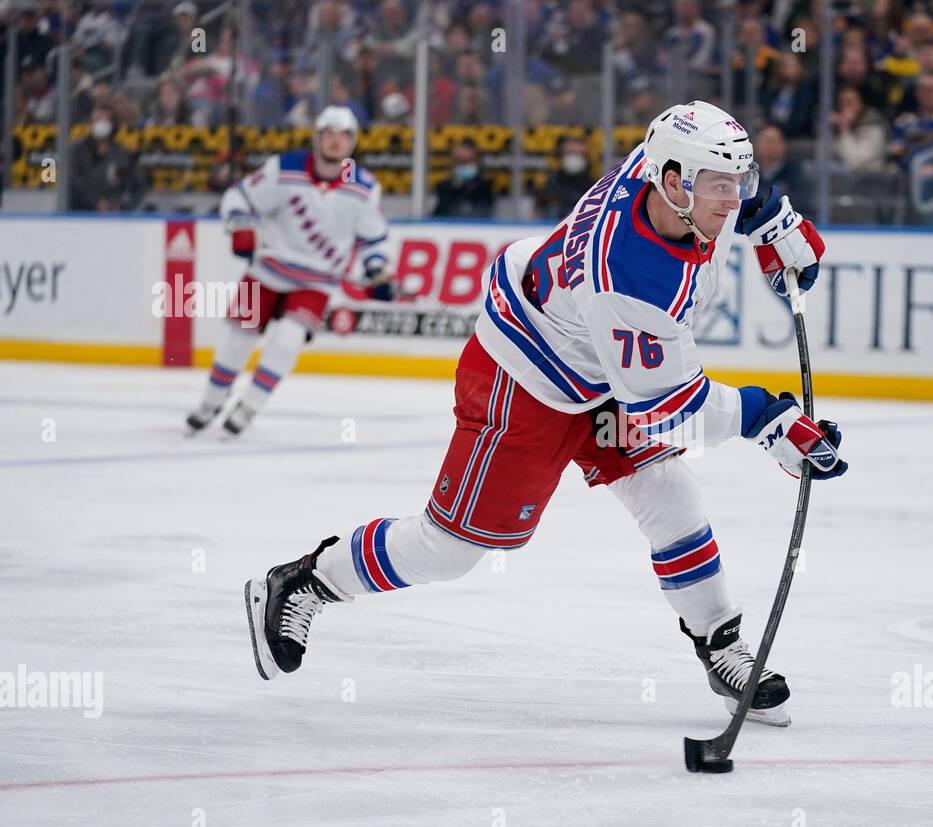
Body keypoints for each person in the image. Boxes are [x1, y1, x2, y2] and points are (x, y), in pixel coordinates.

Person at [241, 101, 844, 730]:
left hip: (603, 368)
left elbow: (716, 200)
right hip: (527, 376)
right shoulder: (630, 277)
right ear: (673, 182)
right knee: (449, 549)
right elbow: (670, 409)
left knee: (669, 494)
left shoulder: (663, 173)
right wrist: (769, 421)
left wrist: (768, 219)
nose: (731, 197)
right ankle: (306, 582)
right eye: (722, 185)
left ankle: (721, 647)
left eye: (738, 181)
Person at [184, 107, 393, 436]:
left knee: (287, 341)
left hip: (316, 281)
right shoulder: (284, 168)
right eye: (330, 133)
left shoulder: (363, 186)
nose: (336, 141)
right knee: (238, 339)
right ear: (318, 136)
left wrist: (377, 269)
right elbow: (238, 197)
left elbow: (374, 239)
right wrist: (240, 225)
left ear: (352, 142)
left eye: (344, 135)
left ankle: (248, 407)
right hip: (266, 269)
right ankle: (210, 402)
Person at [69, 106, 145, 212]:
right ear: (90, 123)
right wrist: (95, 202)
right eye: (97, 120)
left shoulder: (122, 152)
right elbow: (72, 182)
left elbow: (137, 183)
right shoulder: (77, 151)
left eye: (105, 120)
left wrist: (122, 205)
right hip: (81, 213)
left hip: (114, 215)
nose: (101, 124)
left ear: (111, 124)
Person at [432, 139, 494, 218]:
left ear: (476, 162)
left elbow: (484, 211)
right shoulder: (443, 186)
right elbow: (439, 214)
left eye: (467, 161)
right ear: (453, 163)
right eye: (461, 161)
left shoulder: (484, 187)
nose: (464, 166)